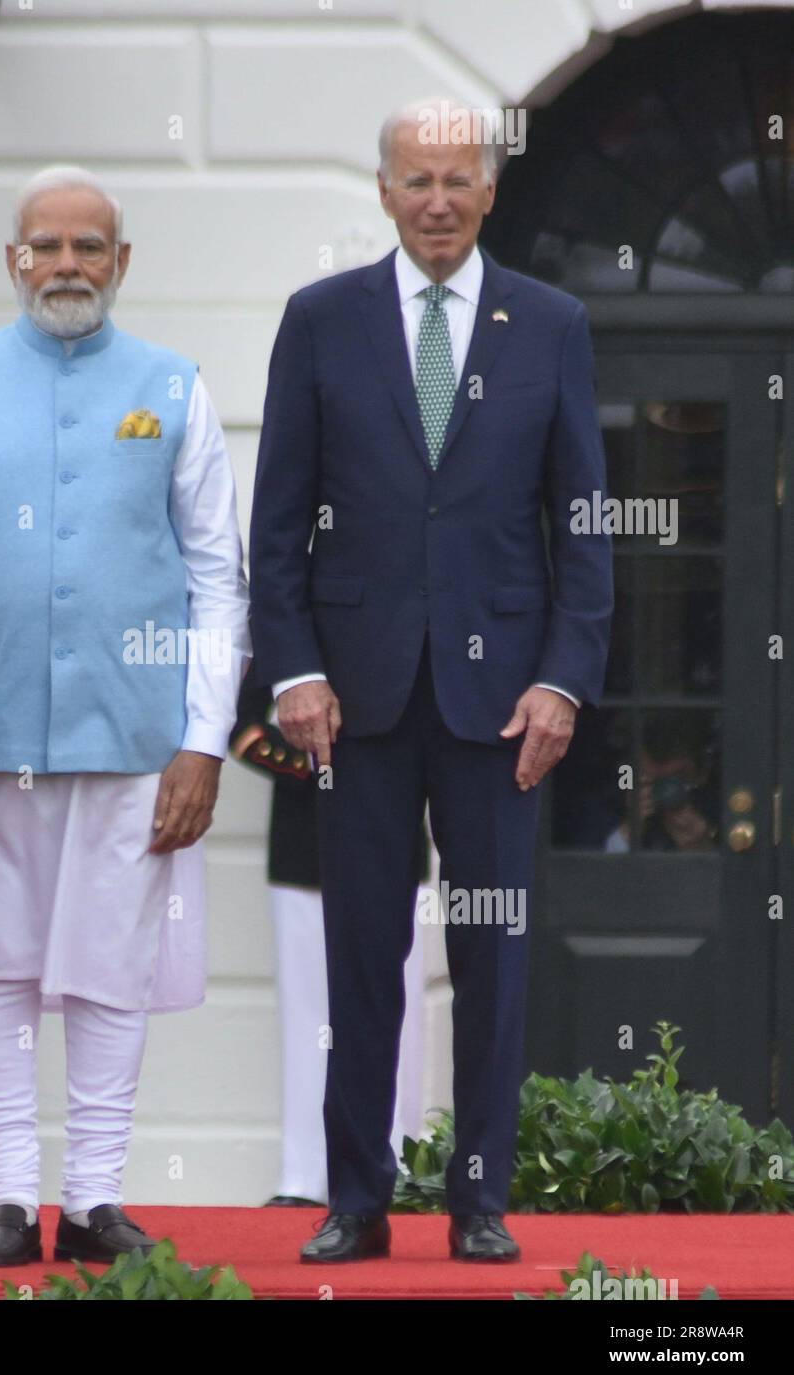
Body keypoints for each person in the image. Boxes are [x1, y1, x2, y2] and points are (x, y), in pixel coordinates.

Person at [0, 165, 250, 1267]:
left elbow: (219, 576)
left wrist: (202, 740)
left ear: (120, 263)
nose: (66, 265)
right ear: (13, 259)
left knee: (107, 964)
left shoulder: (173, 388)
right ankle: (6, 1198)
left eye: (88, 247)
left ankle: (92, 1200)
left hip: (132, 735)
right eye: (46, 246)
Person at [248, 99, 613, 1263]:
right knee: (360, 951)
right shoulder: (319, 321)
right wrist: (291, 668)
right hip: (349, 704)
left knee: (490, 956)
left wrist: (562, 680)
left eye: (458, 179)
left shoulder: (549, 324)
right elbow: (273, 528)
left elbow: (583, 524)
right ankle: (354, 1198)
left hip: (500, 703)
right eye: (416, 180)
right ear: (383, 189)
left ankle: (477, 1201)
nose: (438, 201)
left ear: (489, 189)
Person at [230, 661, 429, 1209]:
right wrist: (324, 762)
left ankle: (402, 1165)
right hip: (306, 841)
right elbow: (243, 729)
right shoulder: (286, 625)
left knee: (401, 1009)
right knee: (307, 1016)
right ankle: (305, 1176)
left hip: (393, 834)